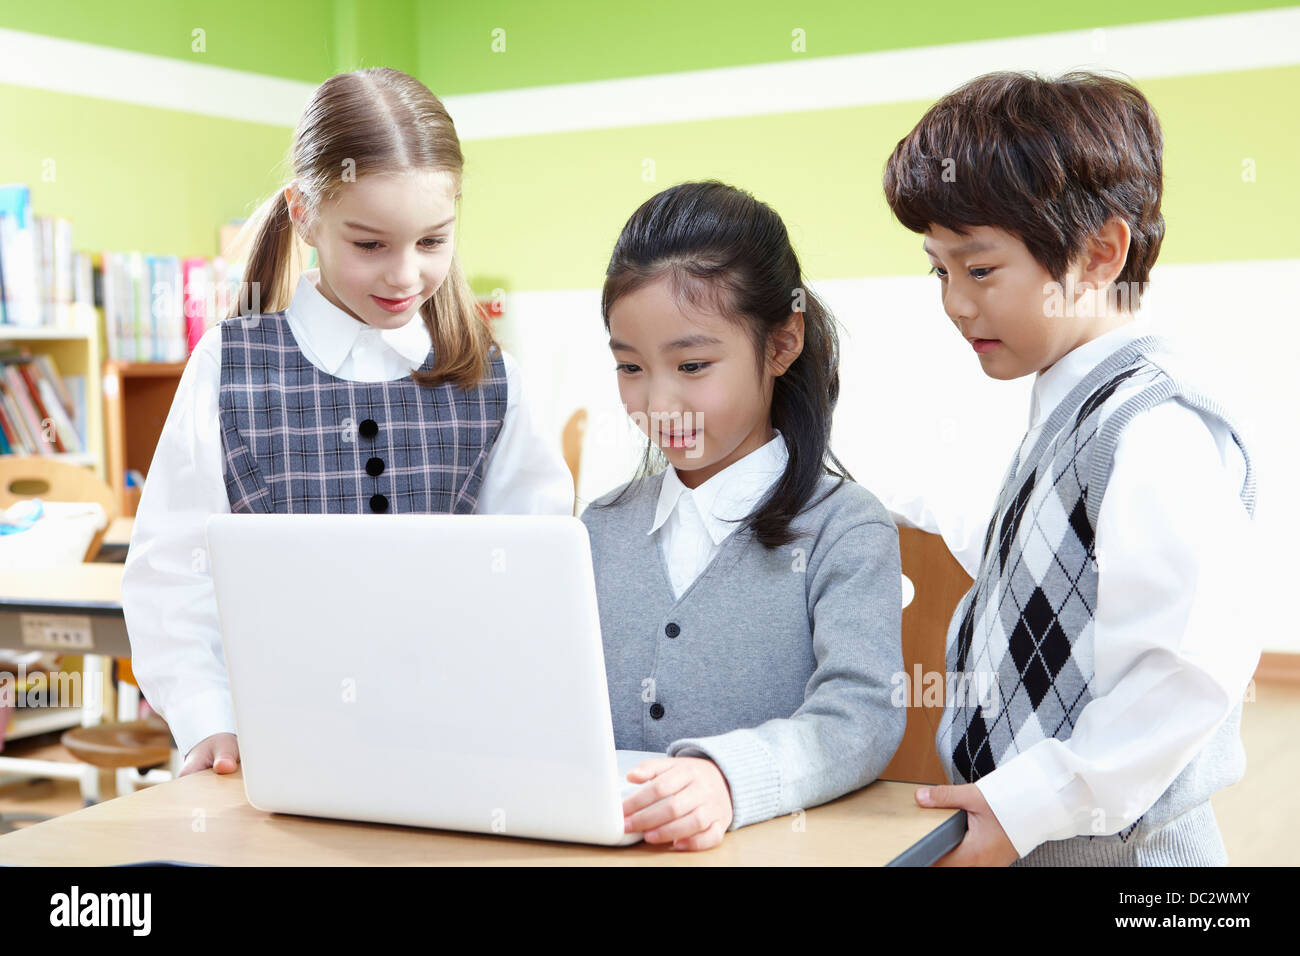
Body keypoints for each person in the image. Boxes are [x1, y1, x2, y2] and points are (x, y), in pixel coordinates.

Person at [123, 67, 573, 778]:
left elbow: (535, 581)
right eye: (370, 245)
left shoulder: (494, 380)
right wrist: (210, 720)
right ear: (304, 213)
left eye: (432, 242)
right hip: (273, 760)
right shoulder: (229, 365)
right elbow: (171, 572)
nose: (404, 276)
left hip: (453, 754)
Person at [882, 70, 1259, 865]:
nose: (954, 302)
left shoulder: (1155, 428)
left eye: (979, 270)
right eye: (938, 271)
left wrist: (1029, 806)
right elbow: (1036, 552)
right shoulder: (1070, 404)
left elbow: (1183, 672)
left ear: (1098, 254)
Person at [580, 181, 906, 851]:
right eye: (630, 367)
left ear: (782, 343)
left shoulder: (845, 528)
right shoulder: (597, 529)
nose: (658, 400)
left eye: (693, 365)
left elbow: (864, 715)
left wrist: (728, 780)